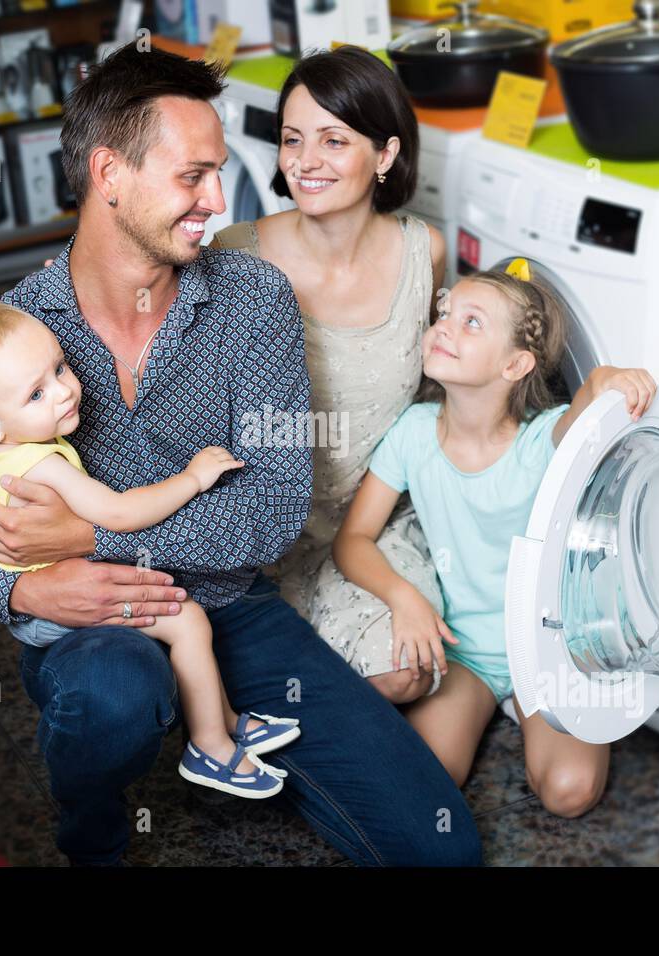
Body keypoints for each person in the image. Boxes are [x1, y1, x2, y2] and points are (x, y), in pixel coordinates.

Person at [0, 43, 482, 866]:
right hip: (96, 621)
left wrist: (88, 538)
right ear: (110, 173)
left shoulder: (253, 299)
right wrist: (26, 587)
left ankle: (214, 735)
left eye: (220, 173)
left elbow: (269, 512)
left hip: (233, 609)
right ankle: (95, 818)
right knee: (113, 692)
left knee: (439, 851)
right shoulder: (10, 334)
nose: (218, 202)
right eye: (193, 176)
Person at [0, 299, 299, 797]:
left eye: (59, 368)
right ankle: (210, 747)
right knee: (188, 621)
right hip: (53, 606)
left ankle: (225, 718)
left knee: (179, 620)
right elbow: (122, 514)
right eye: (36, 394)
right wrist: (191, 478)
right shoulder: (45, 464)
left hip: (32, 593)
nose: (64, 391)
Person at [332, 265, 657, 814]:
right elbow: (353, 539)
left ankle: (541, 709)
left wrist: (607, 380)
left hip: (557, 648)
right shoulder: (413, 432)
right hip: (469, 654)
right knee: (424, 780)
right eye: (444, 314)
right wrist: (404, 597)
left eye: (471, 321)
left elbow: (587, 406)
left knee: (568, 794)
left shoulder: (541, 438)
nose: (443, 328)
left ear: (516, 364)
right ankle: (499, 706)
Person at [210, 47, 452, 697]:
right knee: (248, 678)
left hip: (370, 528)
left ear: (386, 154)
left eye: (333, 140)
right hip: (259, 528)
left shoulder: (422, 252)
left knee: (407, 670)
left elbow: (441, 395)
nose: (305, 161)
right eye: (292, 140)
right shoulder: (238, 254)